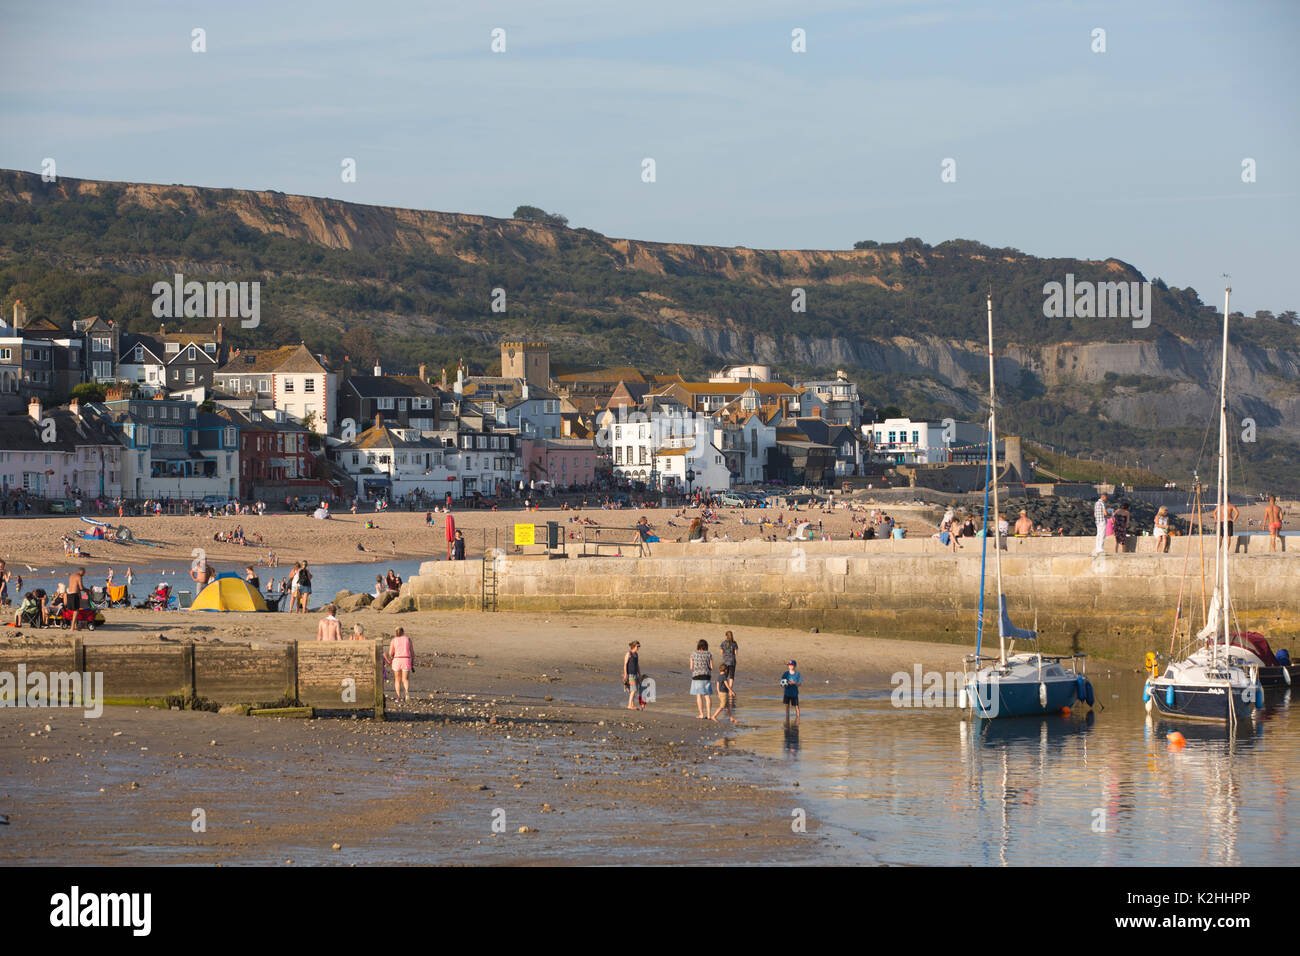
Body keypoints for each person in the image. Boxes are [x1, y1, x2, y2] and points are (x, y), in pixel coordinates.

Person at [712, 630, 738, 720]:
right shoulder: (734, 643)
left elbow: (721, 652)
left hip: (725, 661)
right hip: (732, 661)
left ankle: (728, 690)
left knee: (725, 676)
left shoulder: (723, 643)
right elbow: (736, 653)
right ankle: (730, 689)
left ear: (726, 636)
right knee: (731, 676)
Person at [387, 626, 414, 702]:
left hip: (397, 659)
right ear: (403, 632)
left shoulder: (393, 640)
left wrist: (393, 656)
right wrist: (412, 662)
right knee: (405, 679)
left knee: (397, 679)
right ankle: (407, 692)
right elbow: (412, 653)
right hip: (406, 659)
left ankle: (398, 697)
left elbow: (390, 653)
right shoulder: (408, 639)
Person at [689, 639, 714, 720]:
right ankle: (709, 715)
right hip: (706, 676)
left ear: (698, 646)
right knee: (707, 696)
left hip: (697, 676)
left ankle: (701, 714)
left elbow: (691, 667)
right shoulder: (709, 654)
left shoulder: (693, 654)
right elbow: (711, 667)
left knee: (699, 695)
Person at [623, 640, 643, 710]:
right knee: (634, 690)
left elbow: (637, 665)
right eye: (638, 646)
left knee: (633, 690)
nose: (638, 648)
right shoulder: (628, 654)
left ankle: (632, 704)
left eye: (639, 646)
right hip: (630, 674)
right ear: (634, 646)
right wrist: (625, 674)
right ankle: (629, 705)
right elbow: (625, 665)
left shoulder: (636, 654)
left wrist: (639, 674)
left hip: (635, 674)